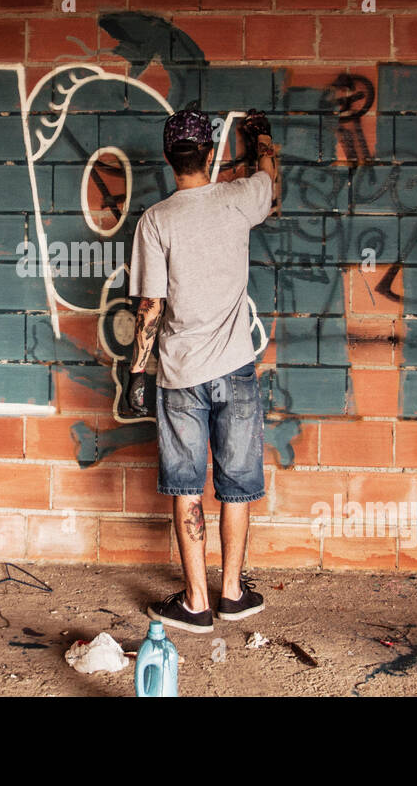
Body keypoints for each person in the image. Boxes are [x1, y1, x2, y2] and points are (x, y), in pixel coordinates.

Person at [124, 106, 280, 633]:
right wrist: (260, 136)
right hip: (236, 369)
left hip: (179, 373)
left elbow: (151, 308)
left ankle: (196, 603)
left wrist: (136, 374)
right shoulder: (239, 199)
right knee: (237, 484)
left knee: (187, 485)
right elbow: (270, 179)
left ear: (170, 159)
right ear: (210, 154)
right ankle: (233, 593)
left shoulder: (156, 220)